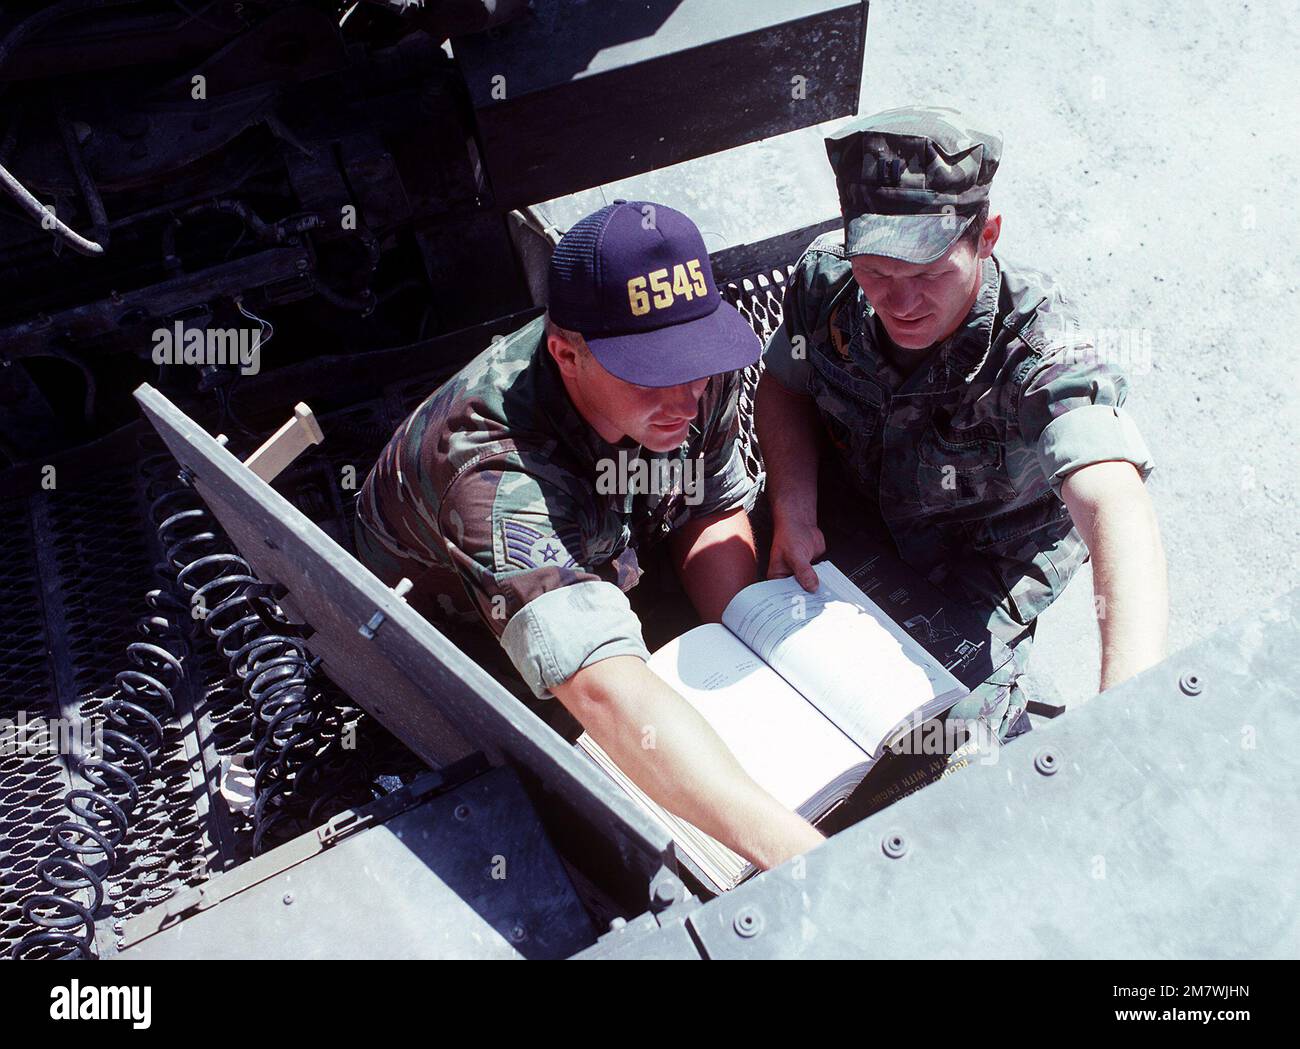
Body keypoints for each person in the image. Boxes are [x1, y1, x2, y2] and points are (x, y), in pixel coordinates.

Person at [354, 200, 825, 871]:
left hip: (606, 553)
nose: (688, 401)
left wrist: (753, 647)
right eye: (653, 373)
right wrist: (805, 858)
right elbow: (600, 686)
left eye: (694, 363)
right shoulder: (491, 468)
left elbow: (706, 507)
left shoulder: (689, 374)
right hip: (469, 629)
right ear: (565, 354)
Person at [757, 105, 1169, 755]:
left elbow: (1117, 500)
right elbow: (783, 383)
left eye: (927, 274)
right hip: (850, 513)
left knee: (949, 746)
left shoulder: (1042, 345)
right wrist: (792, 502)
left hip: (981, 561)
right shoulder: (828, 280)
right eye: (879, 273)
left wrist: (1126, 711)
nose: (900, 302)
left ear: (987, 235)